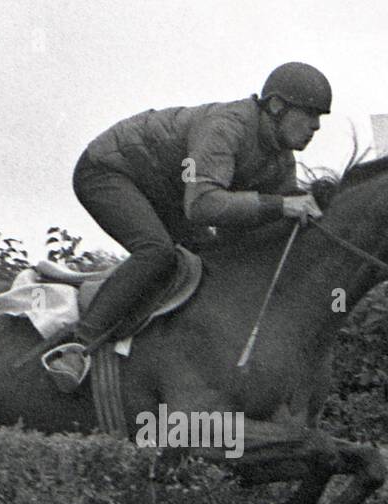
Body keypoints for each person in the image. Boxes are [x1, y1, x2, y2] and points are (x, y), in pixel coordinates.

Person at [42, 62, 330, 391]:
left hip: (166, 192)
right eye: (310, 114)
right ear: (277, 106)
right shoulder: (226, 127)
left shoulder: (280, 160)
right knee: (157, 252)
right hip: (108, 170)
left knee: (207, 264)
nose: (316, 126)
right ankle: (78, 347)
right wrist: (282, 205)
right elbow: (203, 204)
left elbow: (256, 231)